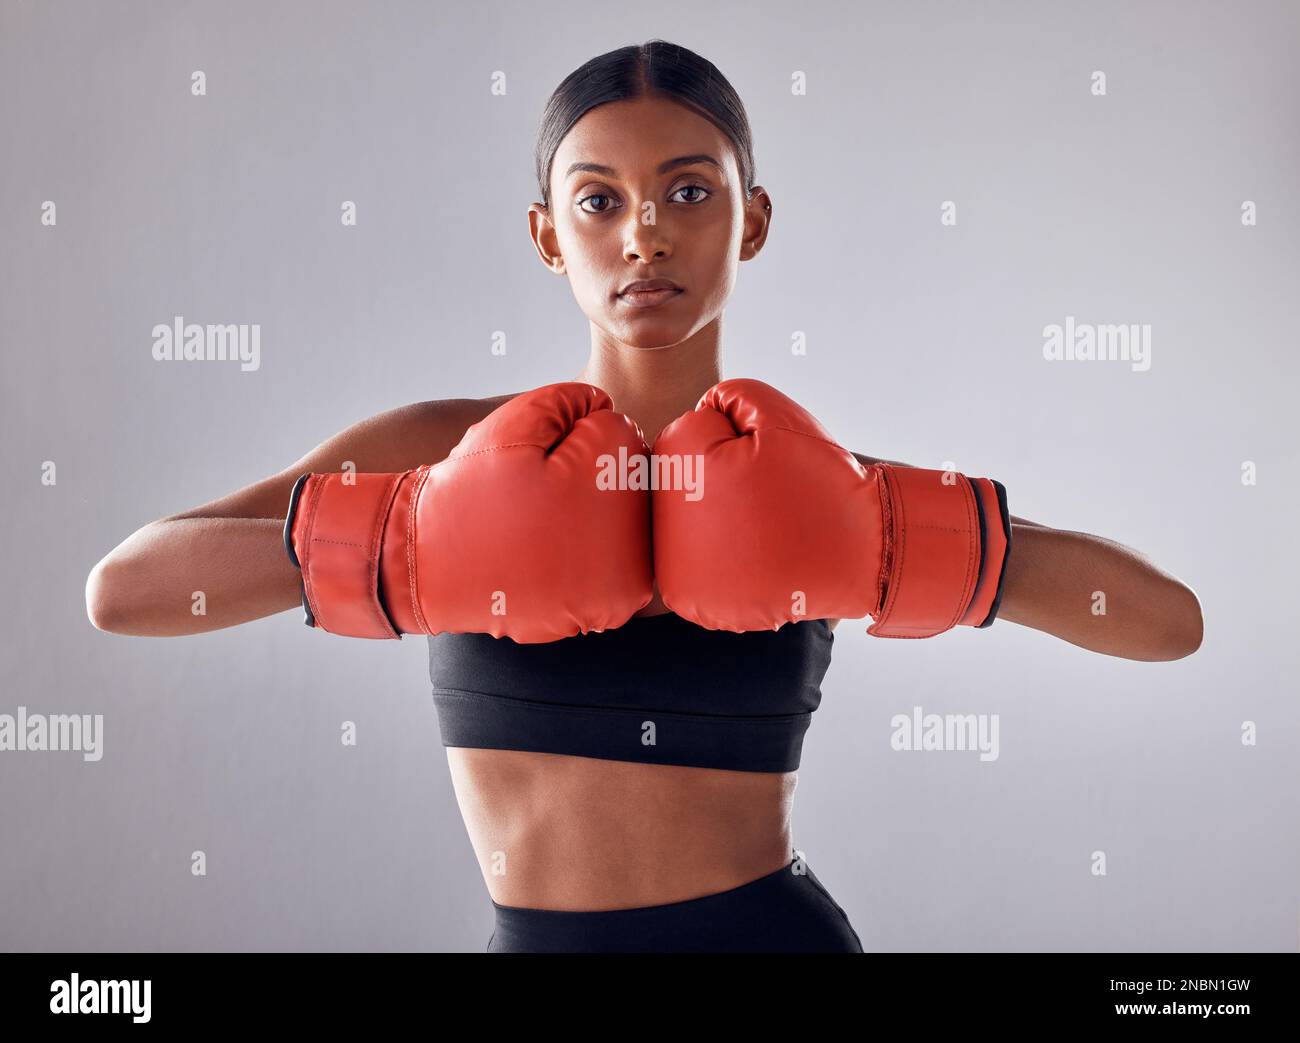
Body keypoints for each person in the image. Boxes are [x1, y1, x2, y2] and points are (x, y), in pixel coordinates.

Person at [85, 40, 1204, 953]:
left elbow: (1167, 624)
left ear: (750, 220)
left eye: (687, 190)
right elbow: (124, 590)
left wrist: (887, 538)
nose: (646, 233)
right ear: (545, 235)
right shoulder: (442, 449)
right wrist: (400, 540)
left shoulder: (817, 484)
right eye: (598, 200)